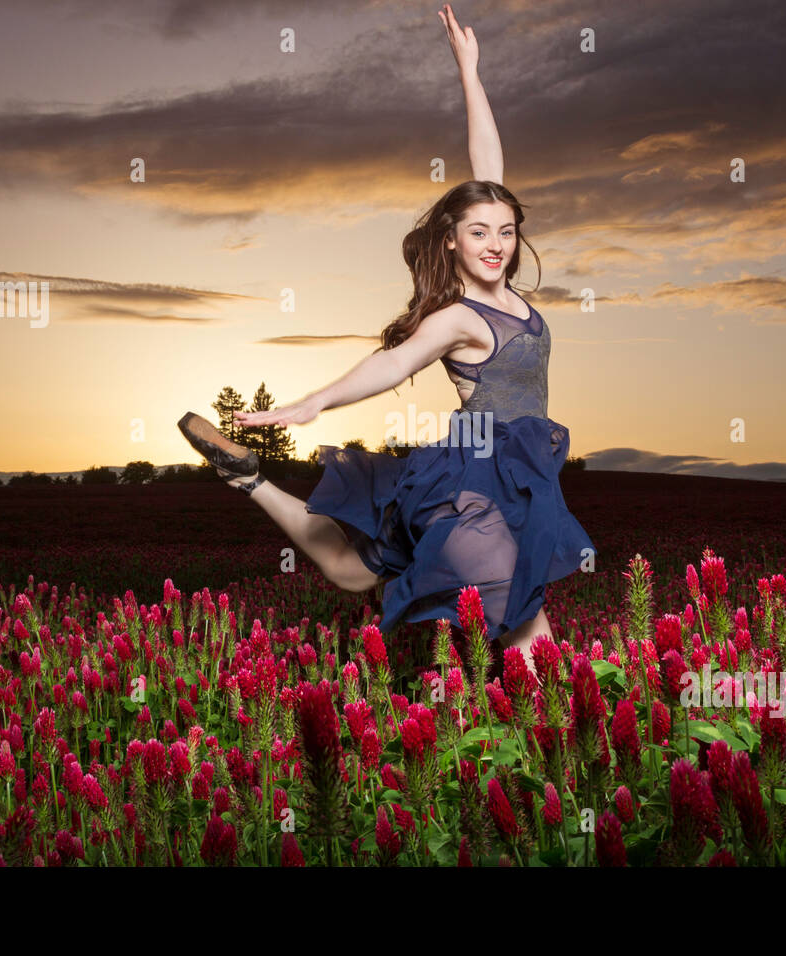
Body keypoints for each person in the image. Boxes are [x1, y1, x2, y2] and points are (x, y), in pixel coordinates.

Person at [177, 5, 593, 682]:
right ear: (451, 240)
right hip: (478, 478)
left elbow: (488, 169)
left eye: (506, 231)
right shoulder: (460, 318)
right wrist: (314, 404)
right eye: (479, 232)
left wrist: (469, 71)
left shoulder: (505, 286)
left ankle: (247, 478)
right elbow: (395, 360)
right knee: (525, 626)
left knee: (347, 570)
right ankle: (534, 747)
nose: (495, 243)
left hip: (517, 473)